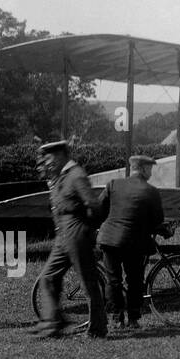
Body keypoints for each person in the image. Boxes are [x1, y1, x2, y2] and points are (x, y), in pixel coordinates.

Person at [34, 140, 107, 339]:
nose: (46, 163)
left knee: (88, 283)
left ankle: (98, 329)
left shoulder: (76, 175)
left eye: (48, 159)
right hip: (63, 236)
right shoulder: (61, 177)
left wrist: (88, 230)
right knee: (48, 278)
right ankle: (53, 323)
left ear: (59, 155)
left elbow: (94, 205)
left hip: (76, 234)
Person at [97, 155, 168, 330]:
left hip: (110, 240)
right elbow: (157, 219)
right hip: (134, 243)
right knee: (135, 280)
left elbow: (99, 209)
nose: (151, 172)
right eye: (150, 168)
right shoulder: (151, 191)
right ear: (143, 169)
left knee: (113, 281)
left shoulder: (113, 184)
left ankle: (116, 318)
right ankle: (134, 319)